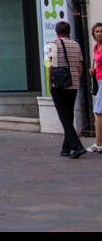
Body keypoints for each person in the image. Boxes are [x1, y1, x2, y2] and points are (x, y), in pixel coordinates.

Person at [47, 21, 85, 158]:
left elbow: (52, 64)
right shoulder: (76, 44)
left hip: (59, 84)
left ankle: (77, 146)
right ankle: (66, 147)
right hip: (73, 84)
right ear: (69, 31)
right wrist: (76, 79)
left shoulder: (54, 44)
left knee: (63, 116)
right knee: (68, 115)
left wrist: (49, 81)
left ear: (57, 32)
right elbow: (80, 66)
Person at [90, 23, 102, 154]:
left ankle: (99, 143)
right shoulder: (95, 47)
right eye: (97, 31)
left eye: (101, 31)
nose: (99, 33)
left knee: (98, 111)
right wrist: (93, 70)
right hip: (98, 79)